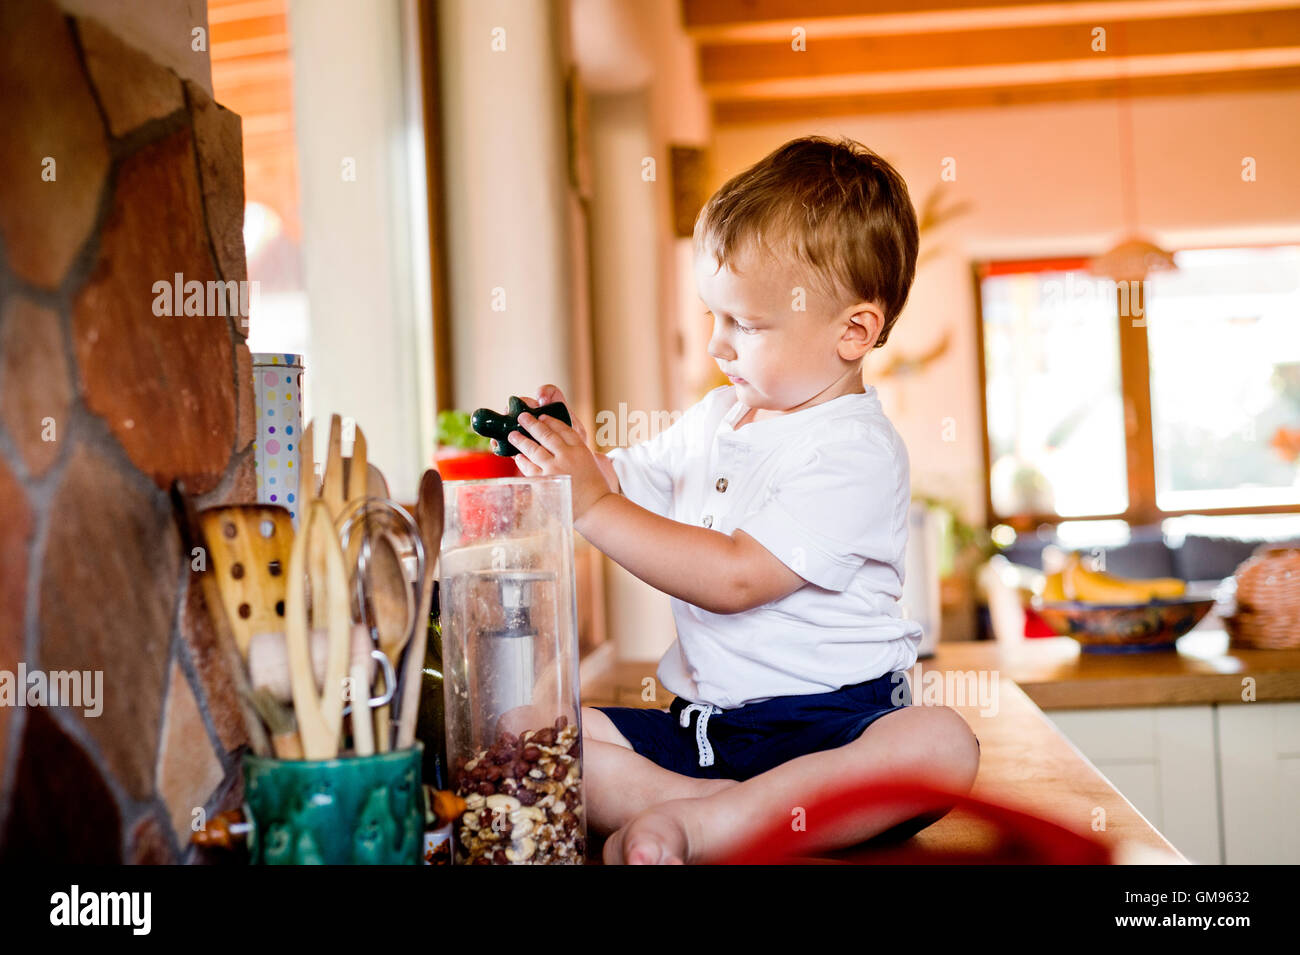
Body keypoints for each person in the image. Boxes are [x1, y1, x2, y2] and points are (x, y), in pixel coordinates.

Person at [498, 135, 980, 864]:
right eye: (713, 316)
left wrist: (592, 508)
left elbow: (734, 578)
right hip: (708, 733)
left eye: (747, 325)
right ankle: (731, 816)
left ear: (855, 329)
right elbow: (626, 479)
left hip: (832, 731)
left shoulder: (854, 450)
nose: (719, 346)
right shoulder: (715, 419)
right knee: (525, 726)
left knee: (941, 743)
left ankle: (701, 824)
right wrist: (569, 458)